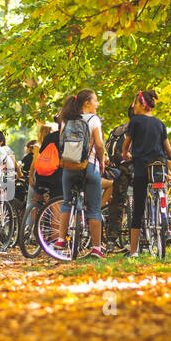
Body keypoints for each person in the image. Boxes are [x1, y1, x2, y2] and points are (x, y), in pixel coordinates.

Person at [119, 90, 171, 256]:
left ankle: (133, 251)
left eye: (135, 103)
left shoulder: (135, 121)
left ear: (141, 105)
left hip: (142, 166)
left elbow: (126, 145)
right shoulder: (160, 124)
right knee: (160, 192)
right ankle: (163, 219)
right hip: (160, 166)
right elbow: (169, 150)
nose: (133, 106)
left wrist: (126, 155)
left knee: (138, 207)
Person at [55, 89, 107, 258]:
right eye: (95, 100)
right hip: (89, 167)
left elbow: (60, 141)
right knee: (93, 209)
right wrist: (102, 161)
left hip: (69, 167)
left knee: (66, 203)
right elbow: (99, 145)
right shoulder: (94, 120)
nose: (97, 104)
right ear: (87, 103)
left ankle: (61, 240)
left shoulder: (67, 119)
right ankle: (96, 248)